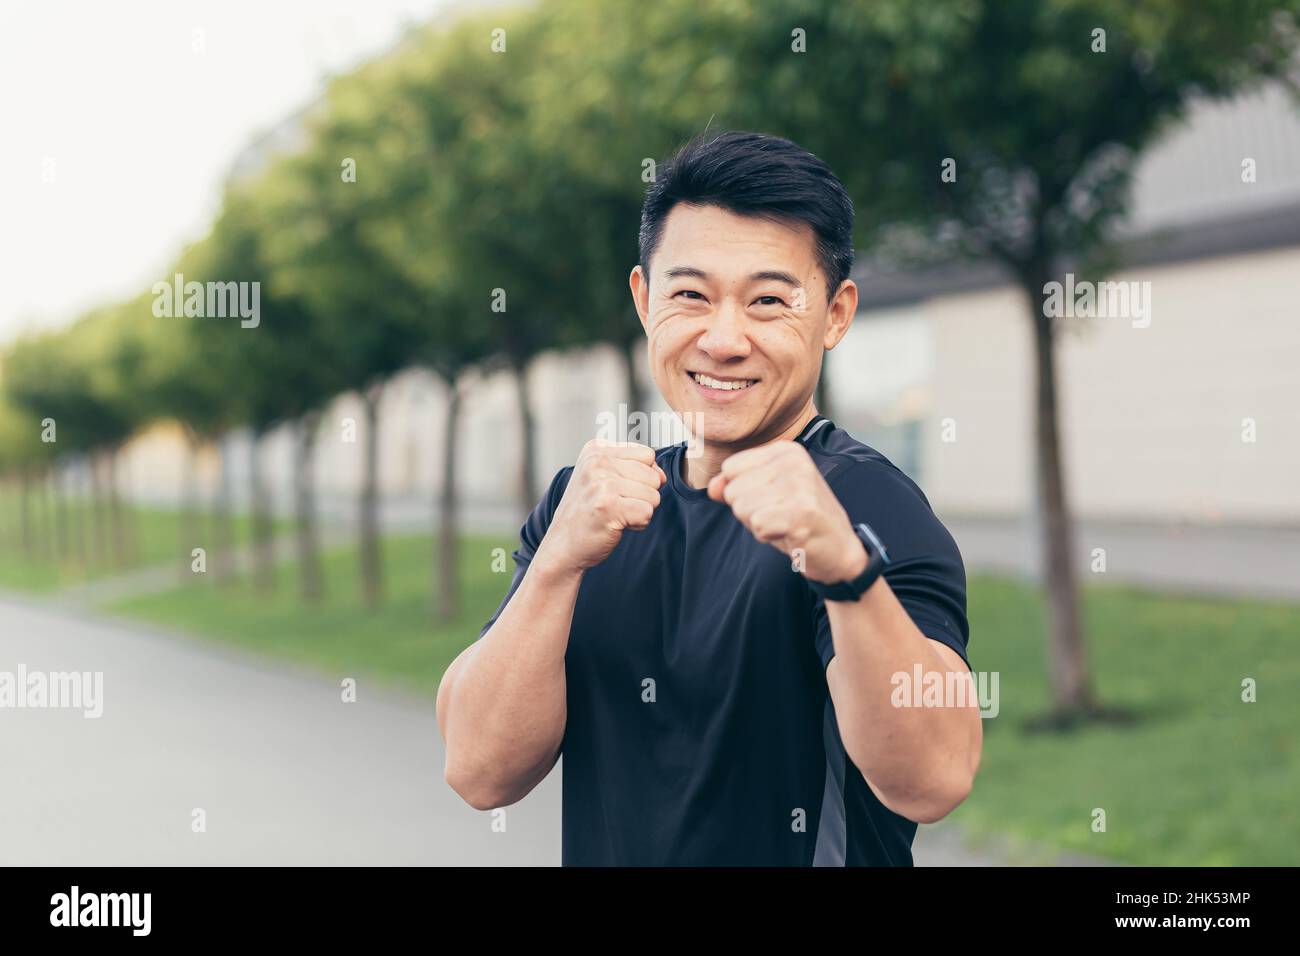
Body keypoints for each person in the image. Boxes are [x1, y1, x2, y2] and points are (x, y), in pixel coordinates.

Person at [436, 130, 982, 865]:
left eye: (767, 301)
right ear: (643, 298)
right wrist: (556, 564)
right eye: (690, 294)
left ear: (835, 314)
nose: (724, 339)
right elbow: (480, 769)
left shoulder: (865, 503)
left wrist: (844, 569)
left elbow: (935, 778)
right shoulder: (588, 504)